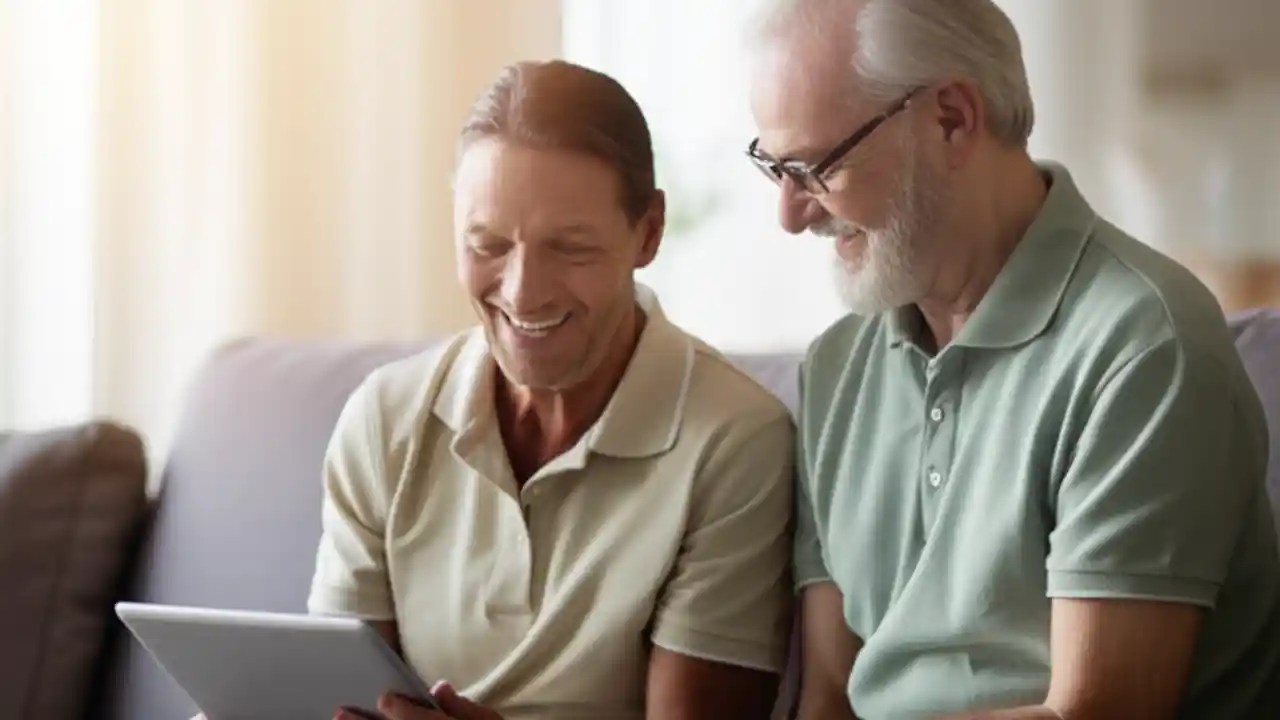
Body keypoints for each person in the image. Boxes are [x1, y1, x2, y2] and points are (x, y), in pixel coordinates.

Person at [745, 0, 1280, 718]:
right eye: (773, 166)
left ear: (952, 119)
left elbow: (1095, 714)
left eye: (816, 167)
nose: (789, 215)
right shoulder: (839, 367)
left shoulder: (1143, 345)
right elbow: (833, 693)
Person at [307, 60, 794, 720]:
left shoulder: (736, 441)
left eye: (570, 248)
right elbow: (336, 699)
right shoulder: (384, 419)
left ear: (647, 233)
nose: (522, 291)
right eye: (488, 244)